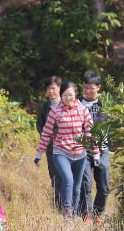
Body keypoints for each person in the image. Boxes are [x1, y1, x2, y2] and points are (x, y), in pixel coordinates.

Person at [34, 81, 99, 220]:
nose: (68, 98)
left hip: (80, 154)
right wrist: (39, 153)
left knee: (77, 186)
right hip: (61, 152)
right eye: (65, 95)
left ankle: (73, 215)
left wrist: (96, 153)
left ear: (75, 94)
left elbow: (90, 133)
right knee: (68, 179)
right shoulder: (55, 112)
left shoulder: (83, 111)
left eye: (70, 94)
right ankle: (67, 212)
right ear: (61, 95)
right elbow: (46, 133)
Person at [77, 71, 110, 225]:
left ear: (99, 88)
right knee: (86, 184)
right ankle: (86, 215)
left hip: (102, 149)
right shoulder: (76, 103)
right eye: (85, 87)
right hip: (83, 150)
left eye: (91, 88)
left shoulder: (106, 105)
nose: (87, 91)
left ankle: (98, 214)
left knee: (103, 186)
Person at [35, 76, 63, 211]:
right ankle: (59, 206)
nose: (51, 91)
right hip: (51, 147)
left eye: (53, 88)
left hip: (67, 147)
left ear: (59, 89)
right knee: (54, 175)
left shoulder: (67, 103)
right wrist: (46, 136)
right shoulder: (45, 107)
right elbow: (39, 123)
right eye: (48, 89)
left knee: (68, 176)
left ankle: (72, 205)